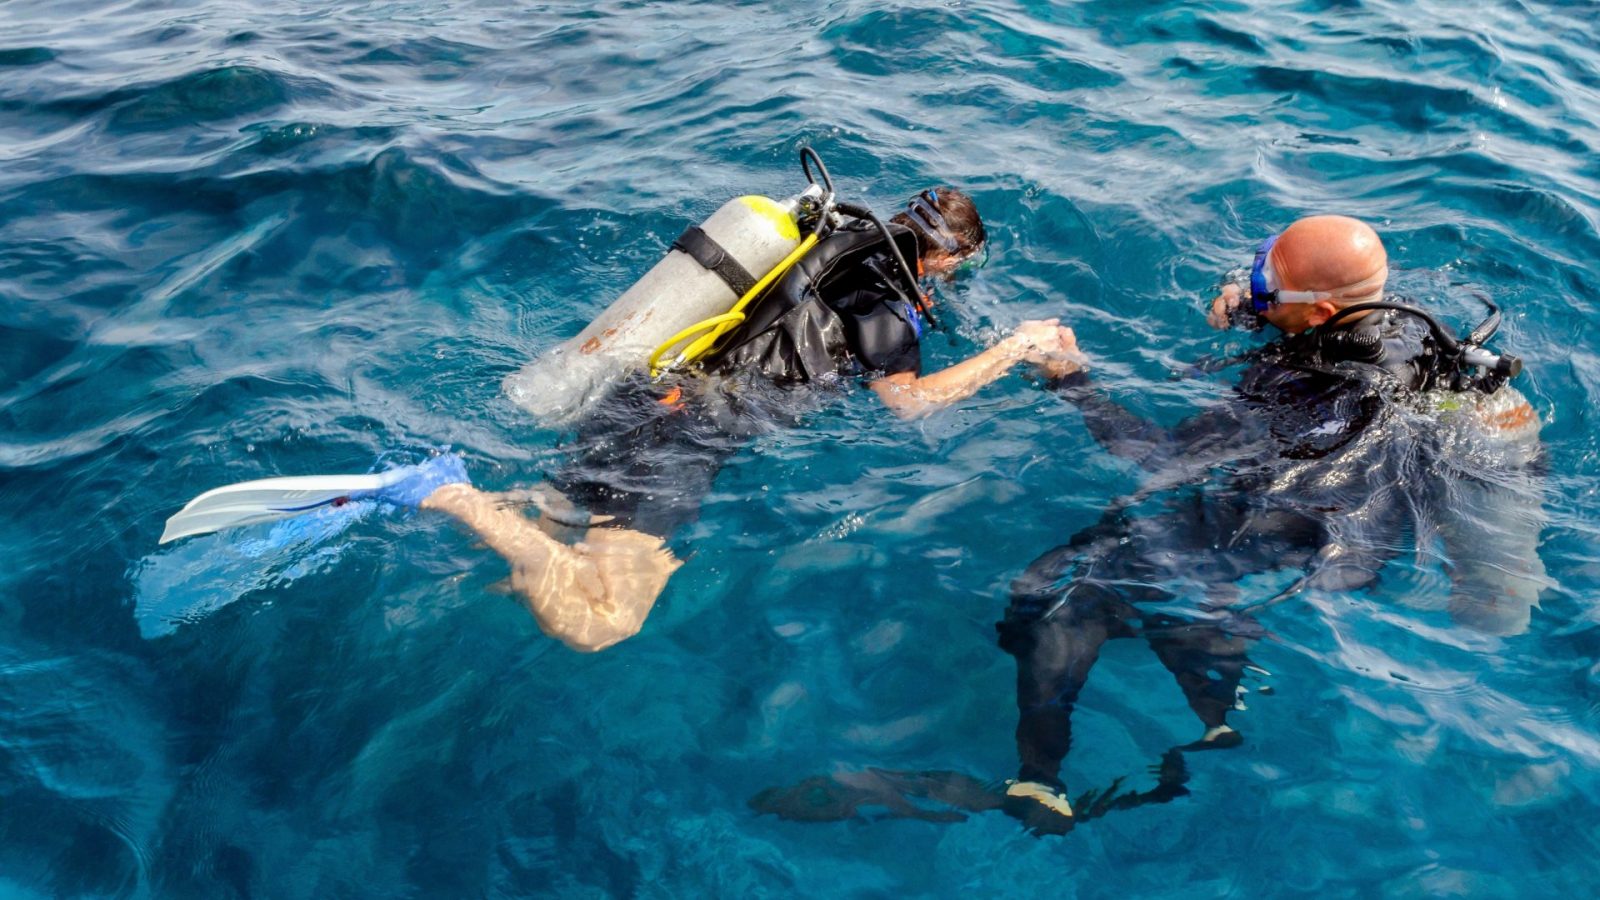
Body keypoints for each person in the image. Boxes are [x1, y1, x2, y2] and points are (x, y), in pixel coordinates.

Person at [997, 215, 1546, 834]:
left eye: (1266, 286)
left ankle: (1038, 781)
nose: (1253, 287)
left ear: (1319, 314)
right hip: (1355, 528)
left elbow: (1158, 456)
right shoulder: (1411, 328)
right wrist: (1252, 308)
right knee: (1186, 576)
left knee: (1054, 596)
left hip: (1296, 517)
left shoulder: (1302, 390)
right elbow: (1308, 313)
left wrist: (1073, 381)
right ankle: (1216, 715)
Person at [379, 187, 1076, 652]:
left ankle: (456, 518)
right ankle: (448, 491)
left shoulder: (829, 242)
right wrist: (1015, 347)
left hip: (644, 394)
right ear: (945, 259)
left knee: (547, 530)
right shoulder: (891, 313)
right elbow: (910, 403)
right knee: (604, 621)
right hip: (684, 438)